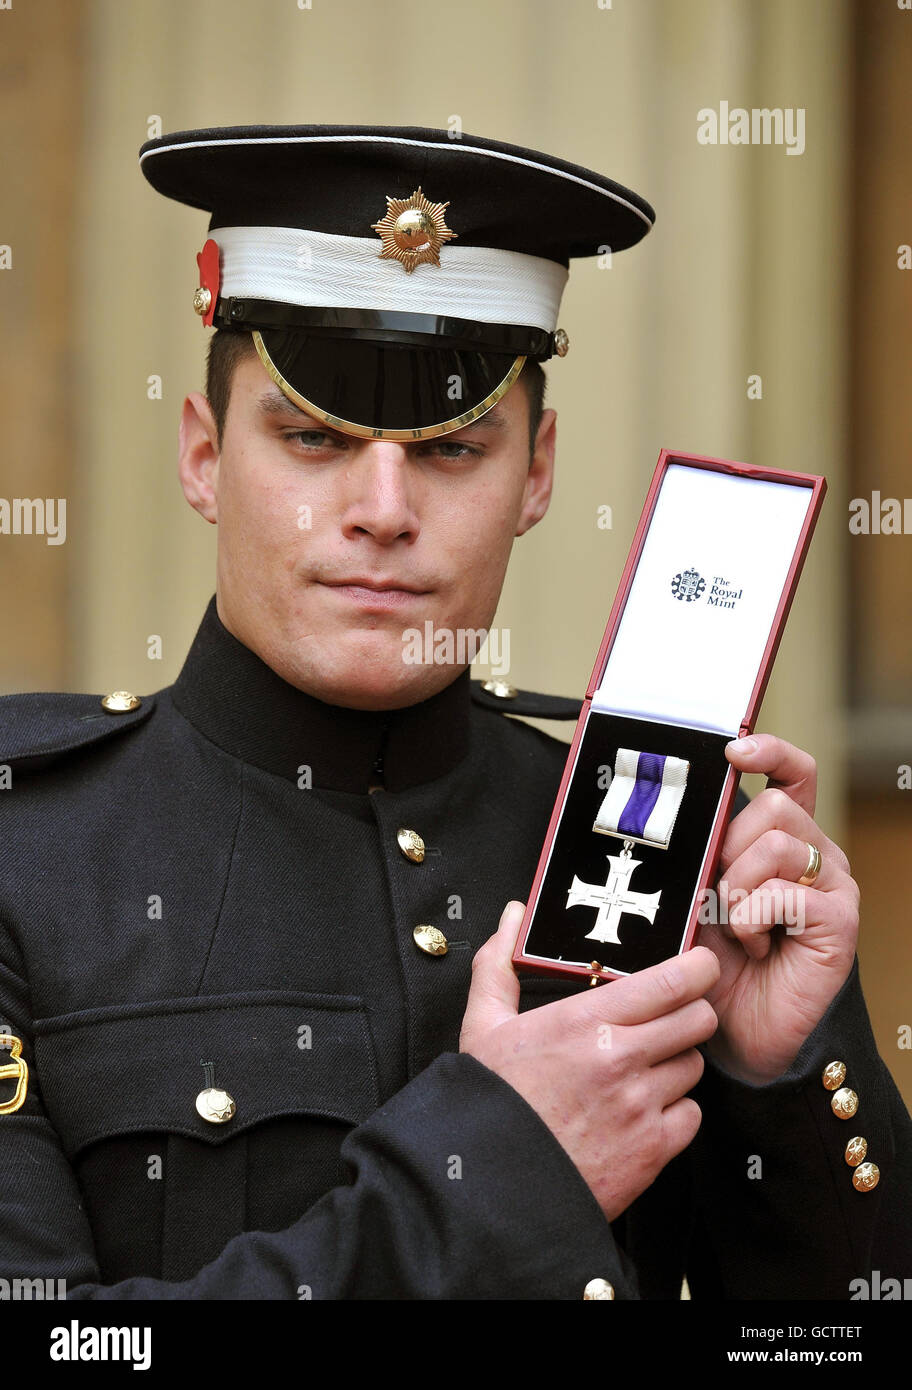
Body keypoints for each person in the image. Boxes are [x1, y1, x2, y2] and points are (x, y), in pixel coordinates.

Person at [0, 124, 909, 1301]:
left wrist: (784, 1075)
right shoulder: (31, 848)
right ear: (204, 453)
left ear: (536, 473)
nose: (383, 510)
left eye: (452, 447)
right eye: (314, 437)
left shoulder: (630, 851)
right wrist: (499, 1170)